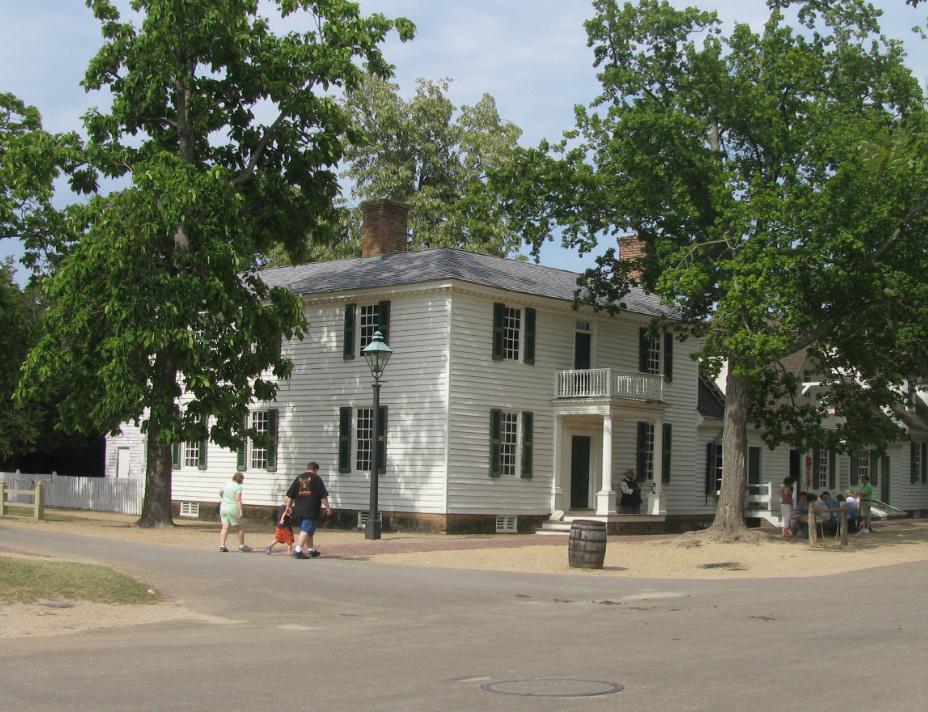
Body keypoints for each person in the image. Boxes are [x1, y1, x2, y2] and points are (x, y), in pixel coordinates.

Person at [286, 462, 332, 559]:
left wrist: (288, 507)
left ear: (307, 468)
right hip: (311, 509)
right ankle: (298, 550)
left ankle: (311, 550)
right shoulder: (316, 479)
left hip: (299, 508)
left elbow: (291, 495)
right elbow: (323, 496)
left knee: (309, 530)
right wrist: (327, 507)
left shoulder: (298, 478)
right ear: (316, 469)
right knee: (306, 529)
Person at [218, 472, 252, 552]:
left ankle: (222, 545)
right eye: (242, 479)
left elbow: (220, 493)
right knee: (239, 527)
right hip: (232, 508)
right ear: (239, 479)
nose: (242, 481)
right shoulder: (238, 487)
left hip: (223, 507)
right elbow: (238, 499)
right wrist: (241, 511)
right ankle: (241, 545)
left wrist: (225, 498)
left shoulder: (227, 483)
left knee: (225, 527)